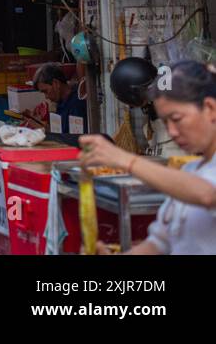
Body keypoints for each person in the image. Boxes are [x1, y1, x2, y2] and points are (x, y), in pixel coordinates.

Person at [79, 61, 216, 255]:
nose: (172, 131)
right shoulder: (190, 171)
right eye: (166, 121)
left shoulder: (199, 183)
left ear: (210, 108)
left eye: (176, 119)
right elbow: (159, 244)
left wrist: (127, 160)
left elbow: (208, 194)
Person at [30, 62, 87, 144]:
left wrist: (48, 133)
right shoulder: (61, 102)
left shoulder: (76, 104)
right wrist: (45, 128)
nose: (46, 97)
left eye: (46, 91)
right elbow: (62, 132)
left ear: (56, 83)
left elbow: (75, 139)